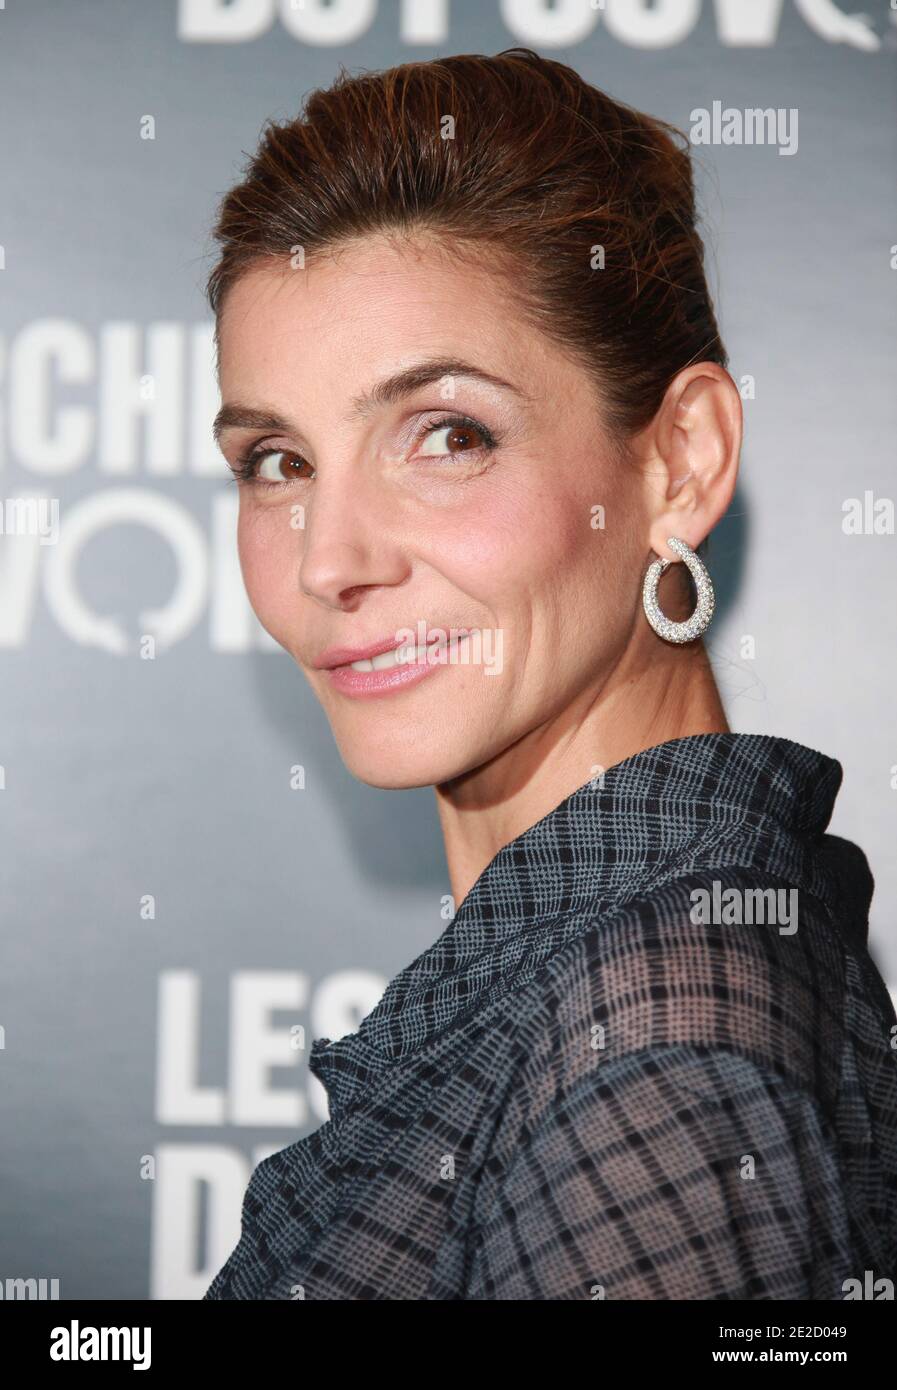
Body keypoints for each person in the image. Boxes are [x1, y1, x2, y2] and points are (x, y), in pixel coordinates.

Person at [201, 49, 897, 1299]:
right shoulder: (611, 965)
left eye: (448, 435)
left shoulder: (656, 1042)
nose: (329, 560)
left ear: (680, 459)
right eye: (276, 462)